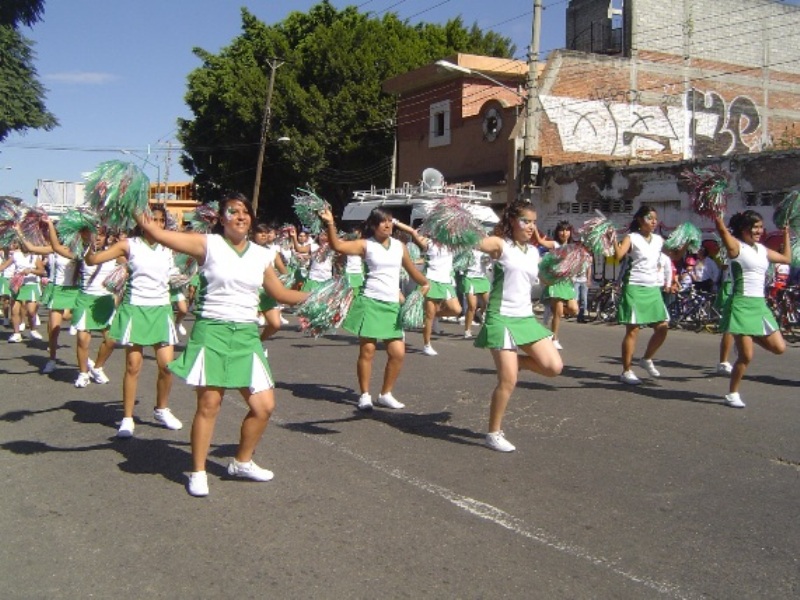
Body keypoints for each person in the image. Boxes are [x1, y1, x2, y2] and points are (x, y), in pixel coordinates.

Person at [135, 192, 306, 497]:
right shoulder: (206, 244)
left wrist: (322, 298)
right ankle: (198, 471)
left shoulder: (260, 255)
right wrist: (133, 203)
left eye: (245, 212)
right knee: (209, 405)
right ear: (221, 218)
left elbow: (280, 294)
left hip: (246, 336)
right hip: (211, 332)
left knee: (264, 406)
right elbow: (158, 233)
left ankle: (242, 462)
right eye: (233, 211)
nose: (240, 216)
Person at [83, 204, 183, 437]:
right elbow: (92, 260)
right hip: (135, 309)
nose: (156, 224)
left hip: (160, 310)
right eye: (152, 219)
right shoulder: (128, 245)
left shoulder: (170, 246)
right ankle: (127, 417)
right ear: (141, 221)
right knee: (133, 366)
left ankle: (162, 408)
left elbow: (180, 271)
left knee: (167, 367)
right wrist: (87, 241)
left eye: (161, 221)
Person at [473, 201, 563, 452]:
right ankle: (493, 433)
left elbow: (544, 279)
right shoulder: (501, 245)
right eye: (525, 221)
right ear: (512, 221)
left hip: (525, 318)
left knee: (554, 367)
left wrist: (564, 269)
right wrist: (456, 227)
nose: (530, 226)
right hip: (500, 316)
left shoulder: (534, 252)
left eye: (533, 222)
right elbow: (478, 242)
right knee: (508, 380)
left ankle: (518, 362)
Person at [319, 207, 429, 411]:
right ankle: (365, 394)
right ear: (373, 225)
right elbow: (338, 246)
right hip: (370, 302)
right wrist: (331, 223)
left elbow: (412, 271)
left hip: (392, 306)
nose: (387, 225)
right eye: (382, 221)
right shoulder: (365, 245)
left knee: (398, 353)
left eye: (390, 221)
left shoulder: (400, 246)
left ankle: (386, 394)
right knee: (367, 351)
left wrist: (425, 284)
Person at [714, 210, 790, 408]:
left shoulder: (762, 250)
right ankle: (732, 393)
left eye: (760, 227)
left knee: (779, 348)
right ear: (743, 229)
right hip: (741, 304)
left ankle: (750, 336)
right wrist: (717, 214)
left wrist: (786, 234)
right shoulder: (736, 247)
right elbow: (722, 232)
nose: (758, 230)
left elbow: (786, 259)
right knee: (746, 356)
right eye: (754, 227)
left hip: (760, 305)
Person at [47, 222, 118, 387]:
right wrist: (50, 225)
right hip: (85, 300)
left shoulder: (115, 254)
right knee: (82, 340)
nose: (98, 237)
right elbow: (57, 247)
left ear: (107, 236)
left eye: (101, 234)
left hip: (105, 302)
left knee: (111, 341)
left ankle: (98, 368)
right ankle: (83, 373)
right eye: (95, 234)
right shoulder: (80, 253)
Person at [613, 205, 670, 385]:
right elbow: (619, 255)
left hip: (653, 288)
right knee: (633, 330)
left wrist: (687, 242)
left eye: (655, 218)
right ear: (639, 220)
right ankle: (626, 371)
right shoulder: (632, 237)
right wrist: (612, 239)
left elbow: (674, 256)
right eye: (649, 218)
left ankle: (646, 359)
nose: (653, 221)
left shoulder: (659, 240)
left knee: (663, 326)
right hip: (634, 286)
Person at [393, 220, 461, 356]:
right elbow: (412, 231)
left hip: (446, 282)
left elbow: (465, 235)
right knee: (430, 315)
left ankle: (430, 316)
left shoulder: (452, 245)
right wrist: (396, 222)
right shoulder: (429, 243)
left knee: (456, 310)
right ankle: (427, 344)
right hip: (431, 280)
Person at [16, 231, 80, 373]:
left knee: (72, 322)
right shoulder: (56, 249)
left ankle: (84, 360)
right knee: (54, 328)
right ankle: (52, 360)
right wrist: (19, 231)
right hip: (58, 290)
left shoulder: (82, 250)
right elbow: (31, 247)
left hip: (75, 290)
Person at [538, 221, 580, 349]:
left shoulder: (573, 246)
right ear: (557, 232)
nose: (564, 233)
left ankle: (553, 309)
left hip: (567, 282)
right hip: (555, 281)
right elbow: (540, 242)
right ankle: (554, 338)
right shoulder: (554, 244)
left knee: (574, 310)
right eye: (561, 230)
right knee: (559, 313)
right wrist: (535, 228)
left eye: (567, 230)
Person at [1, 244, 45, 342]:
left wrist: (31, 270)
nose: (25, 246)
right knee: (14, 310)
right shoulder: (16, 255)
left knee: (31, 311)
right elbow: (4, 265)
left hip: (31, 286)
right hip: (18, 285)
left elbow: (42, 271)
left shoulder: (35, 256)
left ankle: (33, 330)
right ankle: (16, 334)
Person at [252, 223, 288, 341]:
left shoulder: (273, 251)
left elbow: (283, 271)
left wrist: (282, 280)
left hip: (268, 292)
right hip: (252, 291)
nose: (264, 235)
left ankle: (259, 341)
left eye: (266, 233)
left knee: (275, 324)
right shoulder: (247, 248)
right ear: (253, 234)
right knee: (250, 324)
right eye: (260, 232)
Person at [462, 247, 491, 338]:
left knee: (489, 304)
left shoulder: (485, 249)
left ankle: (480, 312)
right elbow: (460, 263)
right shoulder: (466, 249)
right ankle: (467, 330)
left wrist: (487, 261)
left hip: (482, 278)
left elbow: (488, 263)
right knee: (472, 306)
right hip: (470, 278)